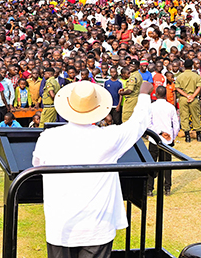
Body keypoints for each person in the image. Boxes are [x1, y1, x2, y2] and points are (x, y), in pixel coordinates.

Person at [32, 79, 153, 258]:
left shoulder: (48, 137)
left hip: (61, 224)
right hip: (96, 226)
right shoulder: (108, 138)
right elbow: (137, 124)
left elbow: (37, 165)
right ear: (98, 108)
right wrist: (143, 95)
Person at [146, 85, 178, 196]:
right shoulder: (171, 107)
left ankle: (149, 189)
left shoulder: (151, 107)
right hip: (167, 140)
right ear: (165, 95)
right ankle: (167, 188)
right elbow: (176, 125)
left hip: (154, 139)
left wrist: (158, 132)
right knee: (167, 165)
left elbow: (148, 124)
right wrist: (172, 137)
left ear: (156, 94)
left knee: (151, 164)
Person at [174, 59, 201, 142]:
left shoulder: (180, 76)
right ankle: (198, 136)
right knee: (196, 116)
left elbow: (177, 88)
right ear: (192, 66)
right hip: (194, 99)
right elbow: (199, 87)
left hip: (183, 98)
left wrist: (186, 95)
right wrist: (193, 96)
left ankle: (187, 136)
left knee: (184, 117)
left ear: (184, 66)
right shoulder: (196, 76)